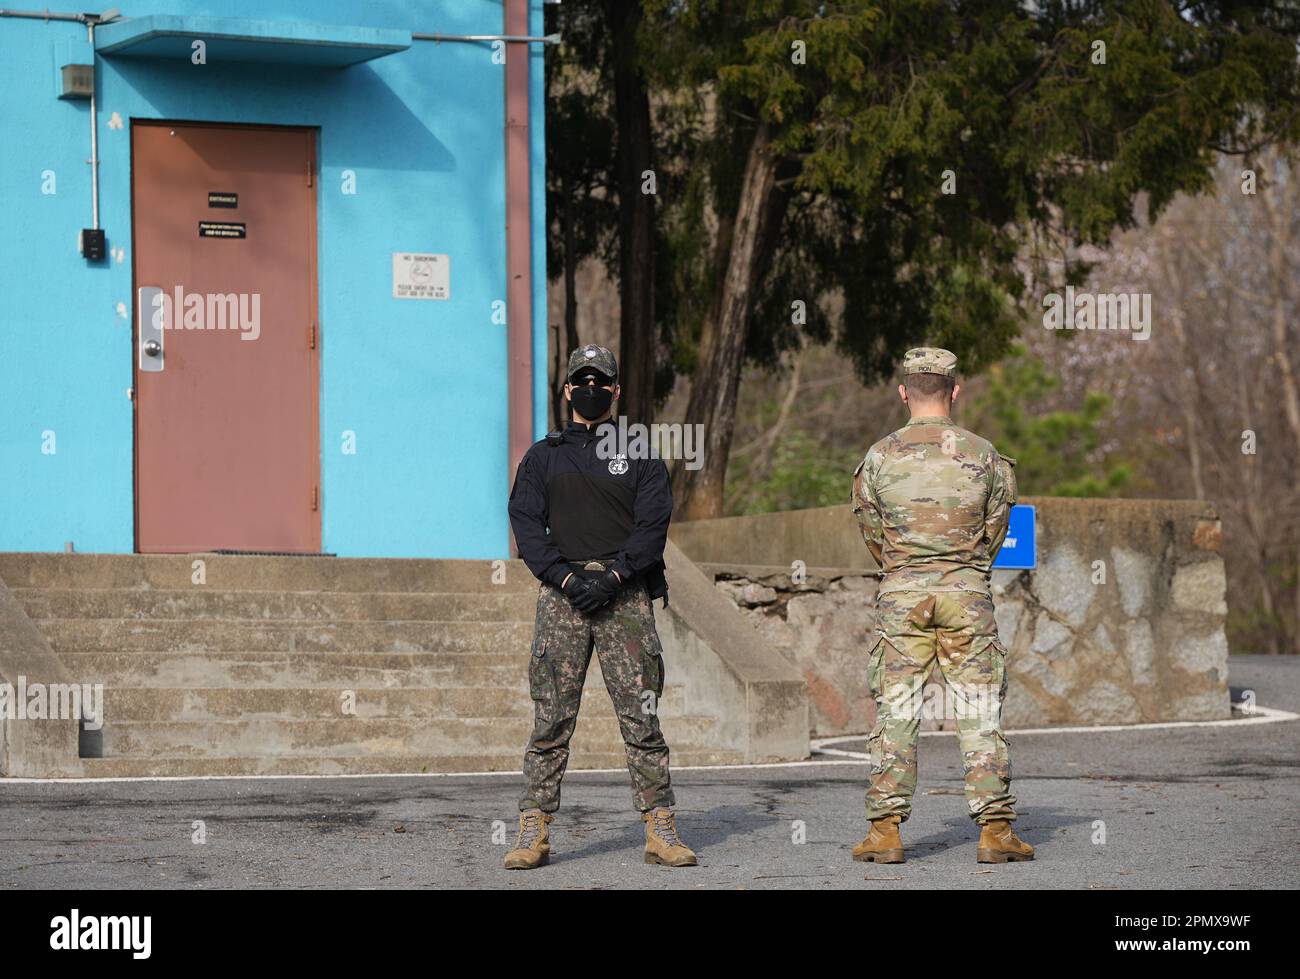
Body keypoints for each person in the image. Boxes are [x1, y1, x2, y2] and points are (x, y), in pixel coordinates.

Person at [501, 343, 697, 870]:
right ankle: (533, 831)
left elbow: (653, 527)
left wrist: (614, 576)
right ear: (567, 390)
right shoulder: (542, 457)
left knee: (643, 718)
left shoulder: (641, 454)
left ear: (615, 391)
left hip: (626, 599)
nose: (591, 389)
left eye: (601, 382)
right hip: (561, 601)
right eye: (581, 380)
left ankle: (660, 826)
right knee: (550, 719)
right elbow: (525, 524)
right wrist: (565, 577)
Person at [850, 347, 1034, 864]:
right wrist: (965, 568)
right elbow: (996, 528)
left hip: (903, 596)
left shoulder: (880, 456)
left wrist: (905, 569)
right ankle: (995, 832)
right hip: (965, 594)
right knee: (978, 709)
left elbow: (871, 531)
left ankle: (884, 831)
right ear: (955, 392)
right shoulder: (983, 454)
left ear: (904, 392)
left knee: (898, 709)